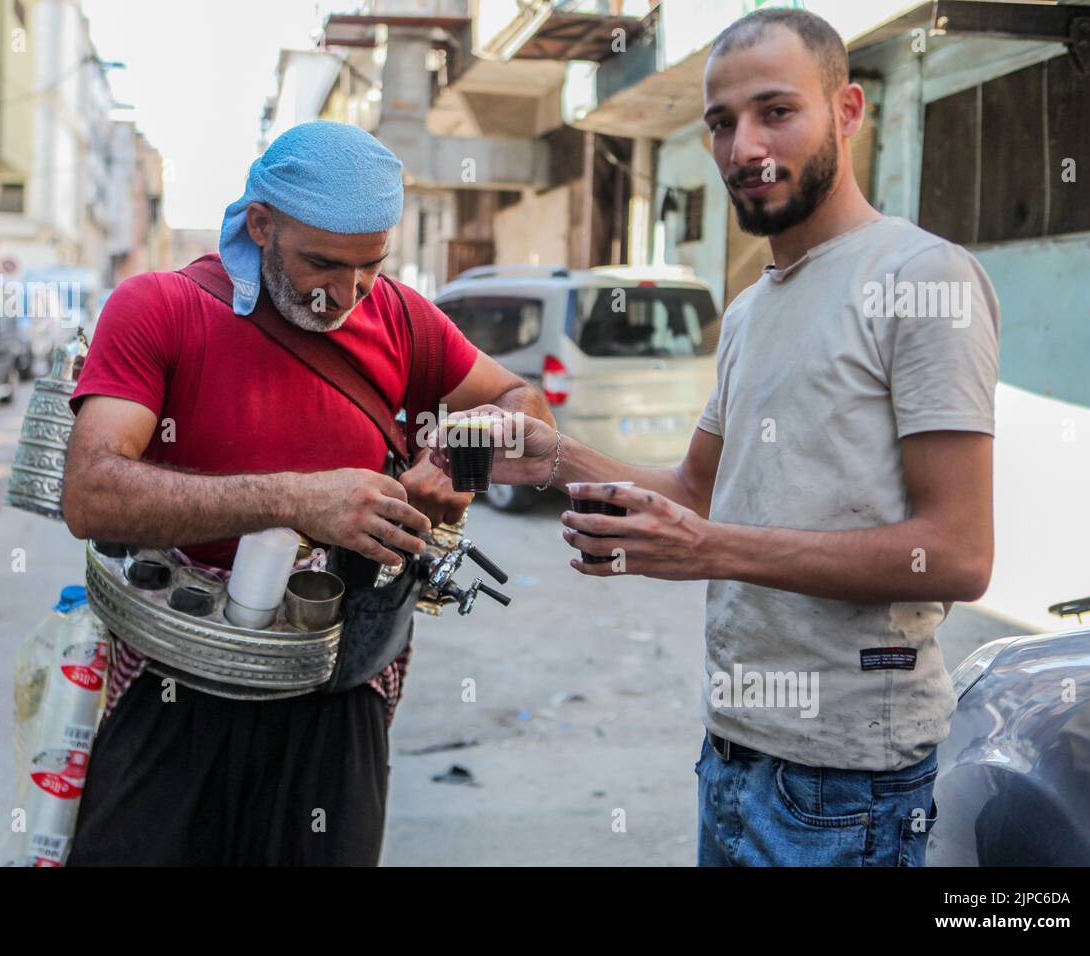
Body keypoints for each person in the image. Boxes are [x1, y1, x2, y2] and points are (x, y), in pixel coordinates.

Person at [437, 9, 999, 867]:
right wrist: (555, 457)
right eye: (722, 121)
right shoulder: (748, 310)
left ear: (848, 112)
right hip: (733, 757)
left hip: (846, 784)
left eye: (777, 111)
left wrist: (711, 549)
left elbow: (956, 553)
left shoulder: (921, 278)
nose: (743, 146)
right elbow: (698, 490)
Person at [59, 120, 554, 865]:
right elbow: (91, 494)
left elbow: (525, 403)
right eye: (321, 263)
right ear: (260, 224)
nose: (345, 296)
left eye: (369, 268)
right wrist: (294, 499)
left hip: (337, 692)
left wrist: (465, 460)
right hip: (175, 683)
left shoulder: (403, 318)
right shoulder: (158, 308)